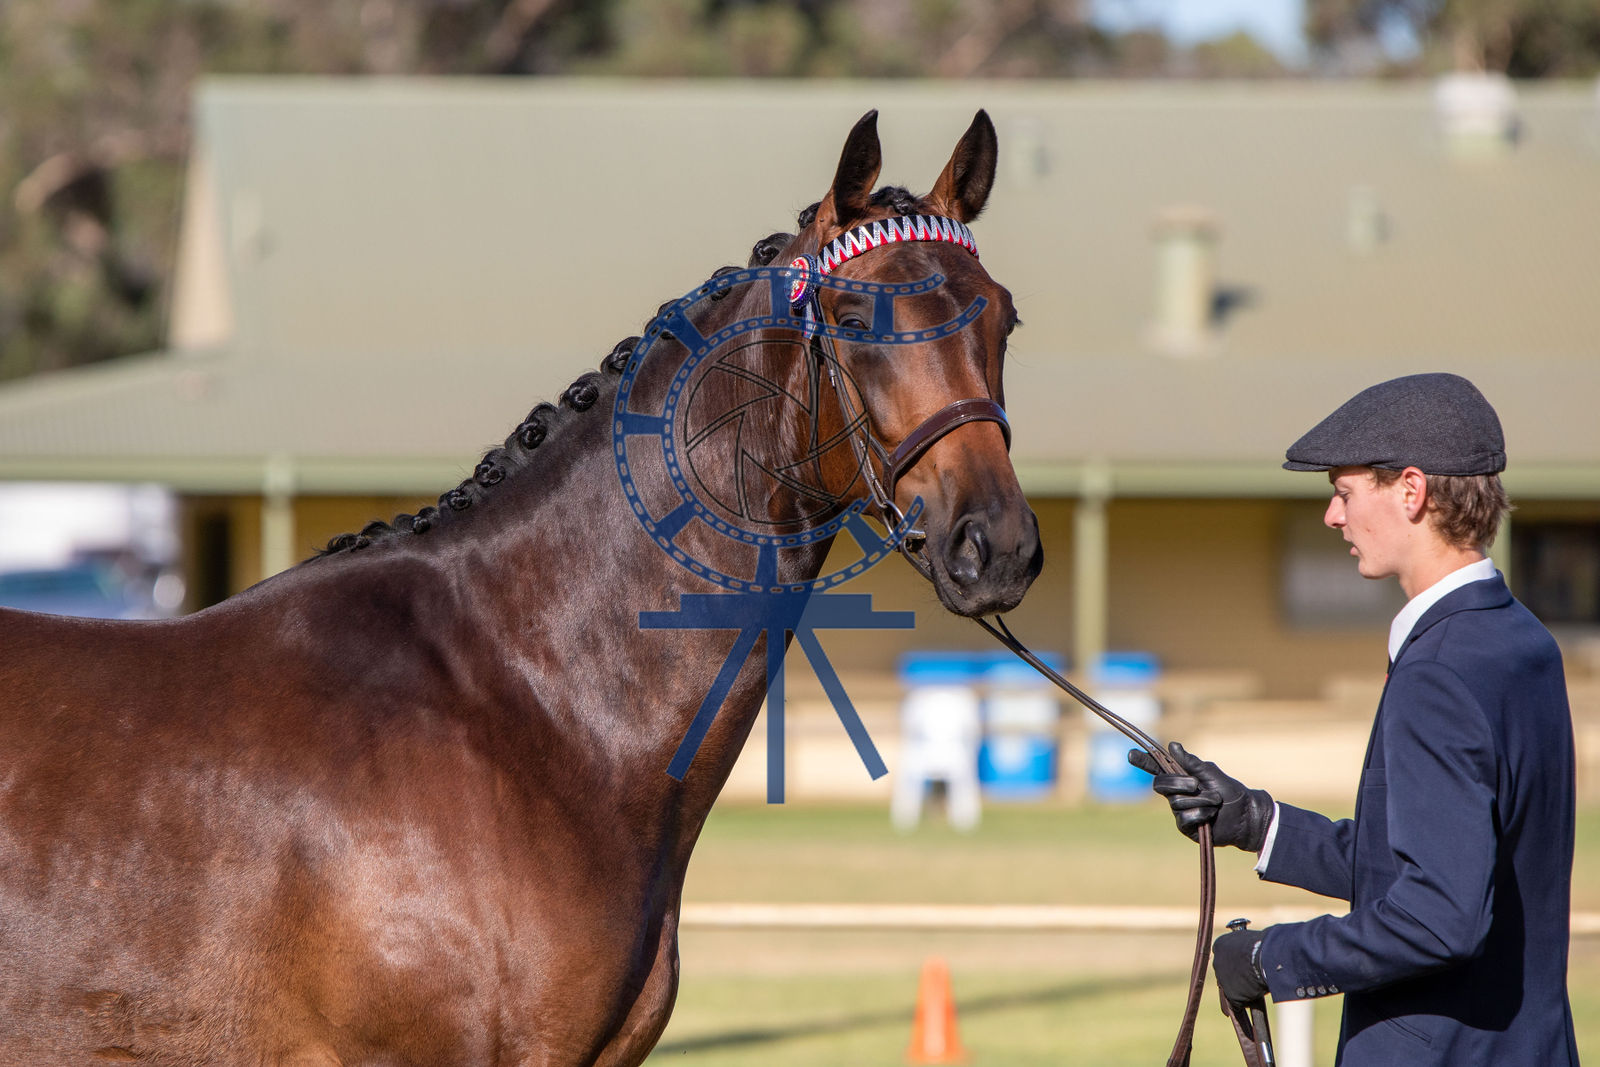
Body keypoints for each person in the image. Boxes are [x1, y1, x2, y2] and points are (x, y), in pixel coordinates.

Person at [1131, 373, 1578, 1065]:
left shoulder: (1439, 669)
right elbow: (1439, 859)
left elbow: (1438, 918)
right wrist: (1255, 820)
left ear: (1411, 489)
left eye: (1343, 494)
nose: (1332, 517)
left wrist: (1269, 955)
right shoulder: (1522, 641)